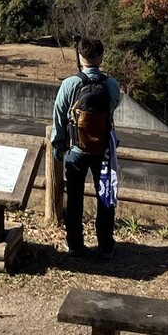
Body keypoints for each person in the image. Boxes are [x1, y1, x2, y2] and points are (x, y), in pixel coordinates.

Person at [51, 35, 122, 257]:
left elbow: (59, 117)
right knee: (105, 196)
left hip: (76, 151)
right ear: (101, 56)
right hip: (103, 150)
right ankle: (105, 246)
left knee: (74, 198)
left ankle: (74, 244)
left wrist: (58, 145)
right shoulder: (111, 85)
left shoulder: (70, 85)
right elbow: (112, 107)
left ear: (81, 57)